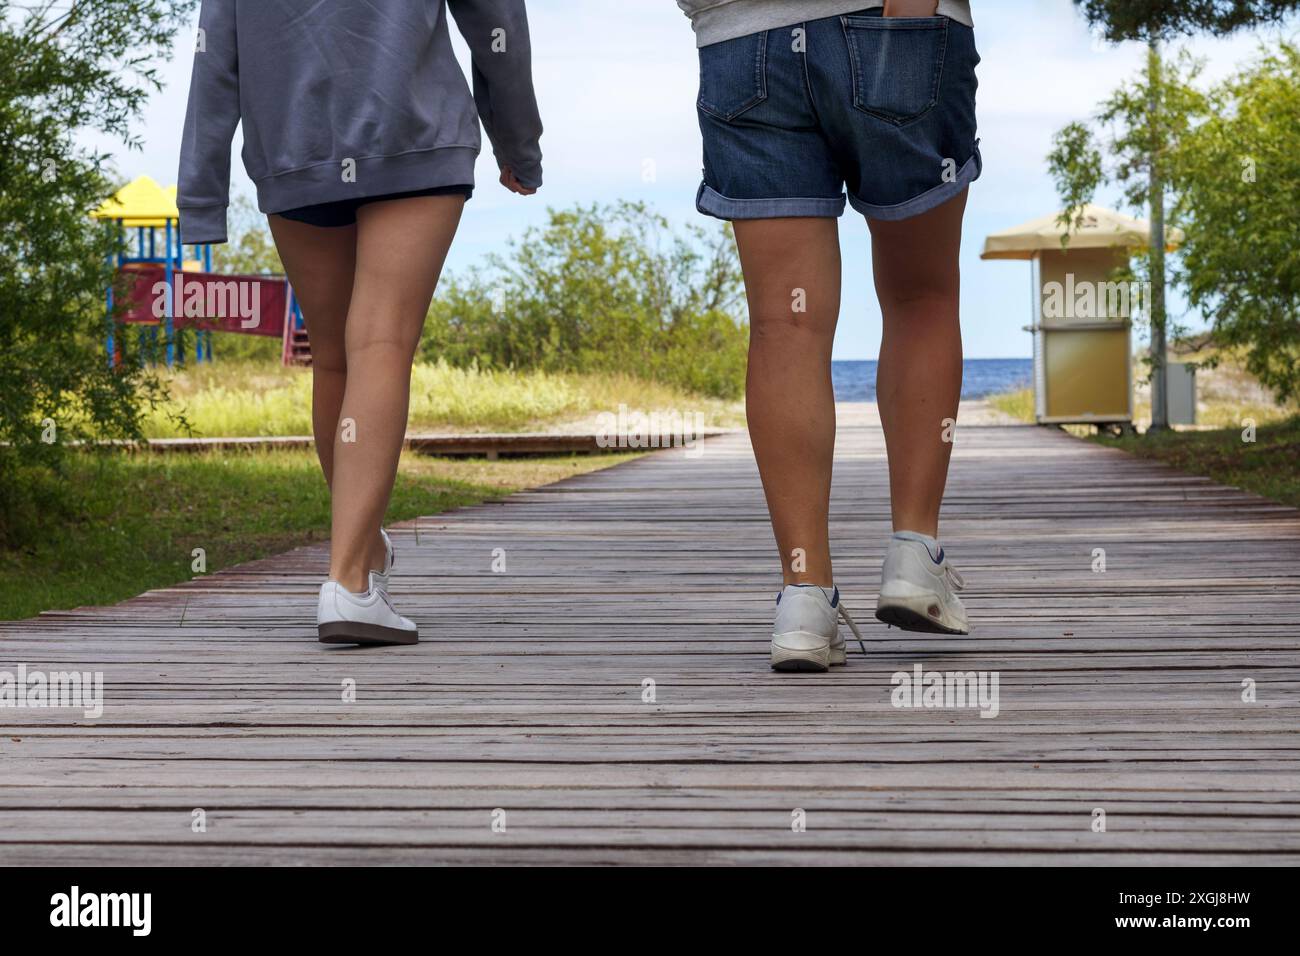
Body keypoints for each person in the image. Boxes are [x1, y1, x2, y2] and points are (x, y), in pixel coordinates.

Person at [178, 0, 543, 645]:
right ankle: (348, 580)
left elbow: (215, 49)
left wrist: (202, 196)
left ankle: (358, 560)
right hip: (415, 135)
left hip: (295, 145)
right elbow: (497, 21)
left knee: (337, 358)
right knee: (379, 342)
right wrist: (519, 140)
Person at [676, 0, 979, 670]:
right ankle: (912, 555)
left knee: (786, 324)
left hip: (740, 38)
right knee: (920, 295)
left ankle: (804, 598)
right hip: (896, 22)